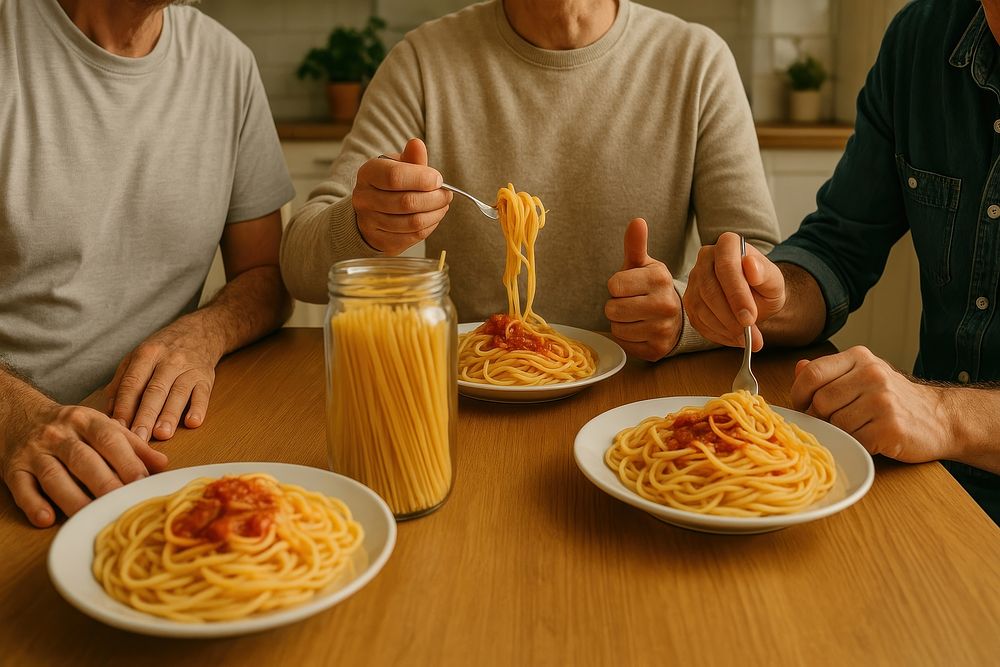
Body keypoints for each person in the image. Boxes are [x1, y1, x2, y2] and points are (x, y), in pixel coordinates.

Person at [279, 0, 780, 364]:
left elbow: (758, 264)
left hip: (637, 397)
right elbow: (299, 264)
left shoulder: (696, 61)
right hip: (469, 398)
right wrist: (364, 226)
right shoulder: (422, 62)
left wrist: (683, 317)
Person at [683, 0, 1000, 522]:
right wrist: (774, 294)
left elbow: (941, 419)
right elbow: (839, 247)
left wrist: (946, 416)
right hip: (926, 484)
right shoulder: (920, 39)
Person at [0, 0, 295, 527]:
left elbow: (266, 276)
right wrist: (16, 418)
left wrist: (205, 332)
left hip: (154, 439)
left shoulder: (227, 63)